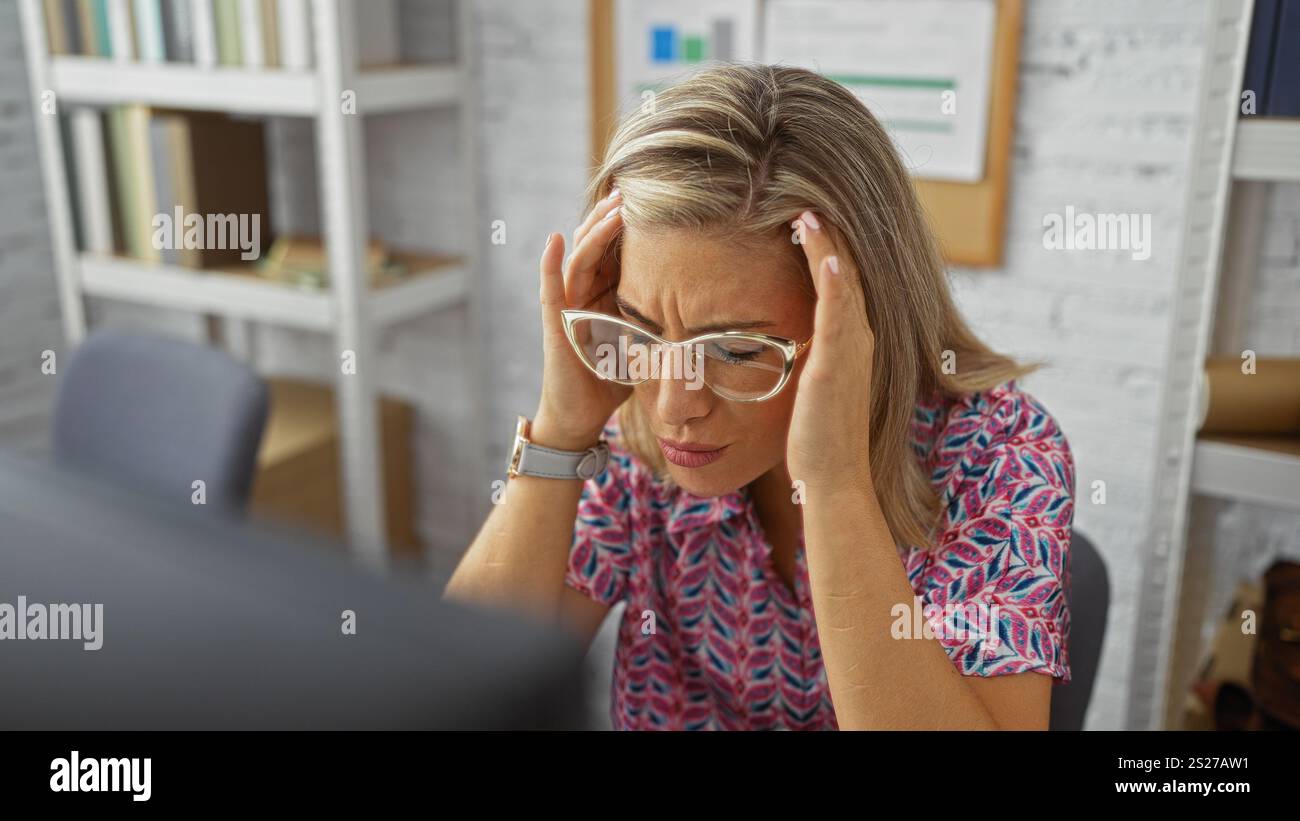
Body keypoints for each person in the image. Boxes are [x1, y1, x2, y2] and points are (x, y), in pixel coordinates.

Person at [447, 63, 1075, 730]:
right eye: (644, 330)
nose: (673, 408)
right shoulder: (634, 440)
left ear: (865, 320)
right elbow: (454, 700)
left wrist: (835, 487)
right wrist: (563, 429)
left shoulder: (1003, 455)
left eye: (737, 351)